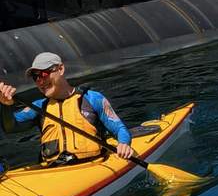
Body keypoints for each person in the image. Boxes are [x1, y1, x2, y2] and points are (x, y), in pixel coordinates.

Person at [0, 53, 135, 164]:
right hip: (54, 171)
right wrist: (6, 106)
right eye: (36, 77)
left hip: (93, 165)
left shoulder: (92, 99)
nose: (40, 81)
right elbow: (10, 127)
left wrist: (123, 143)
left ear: (60, 69)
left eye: (44, 74)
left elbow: (119, 129)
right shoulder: (38, 107)